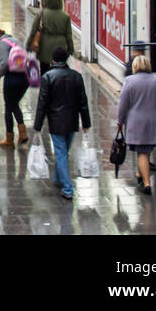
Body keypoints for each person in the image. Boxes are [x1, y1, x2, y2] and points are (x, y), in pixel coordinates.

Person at [33, 46, 91, 201]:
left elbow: (42, 103)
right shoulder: (76, 76)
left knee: (61, 153)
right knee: (63, 152)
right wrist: (86, 122)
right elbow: (83, 102)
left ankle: (67, 188)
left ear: (53, 60)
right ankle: (58, 179)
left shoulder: (48, 77)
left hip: (56, 122)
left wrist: (38, 125)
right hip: (72, 121)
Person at [117, 55, 156, 195]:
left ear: (135, 67)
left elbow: (123, 105)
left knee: (142, 152)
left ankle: (146, 184)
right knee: (146, 150)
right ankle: (140, 175)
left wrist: (120, 121)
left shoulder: (129, 81)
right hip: (155, 122)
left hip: (136, 123)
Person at [0, 25, 31, 148]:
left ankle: (9, 139)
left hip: (12, 78)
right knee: (14, 104)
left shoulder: (1, 43)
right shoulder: (14, 40)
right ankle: (22, 133)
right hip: (25, 78)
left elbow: (5, 63)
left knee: (8, 107)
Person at [27, 0, 76, 75]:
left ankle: (45, 85)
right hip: (60, 46)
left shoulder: (42, 14)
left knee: (44, 69)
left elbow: (33, 31)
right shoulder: (65, 16)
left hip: (44, 46)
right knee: (59, 70)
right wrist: (71, 48)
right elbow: (69, 35)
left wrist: (28, 44)